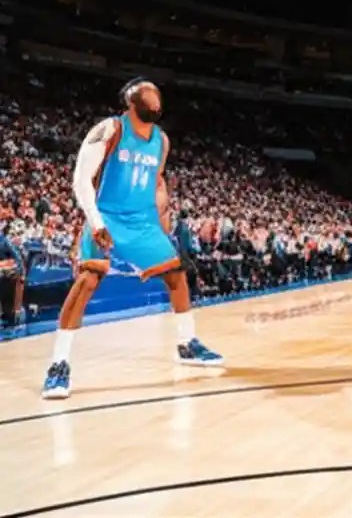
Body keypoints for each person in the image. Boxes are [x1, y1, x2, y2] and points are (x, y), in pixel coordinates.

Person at [42, 78, 223, 400]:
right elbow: (81, 179)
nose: (156, 99)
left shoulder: (162, 141)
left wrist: (161, 218)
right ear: (131, 100)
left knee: (178, 274)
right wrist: (95, 221)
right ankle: (58, 364)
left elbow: (156, 181)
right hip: (107, 215)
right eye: (148, 94)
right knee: (87, 279)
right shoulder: (110, 129)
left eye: (158, 95)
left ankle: (187, 344)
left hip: (143, 222)